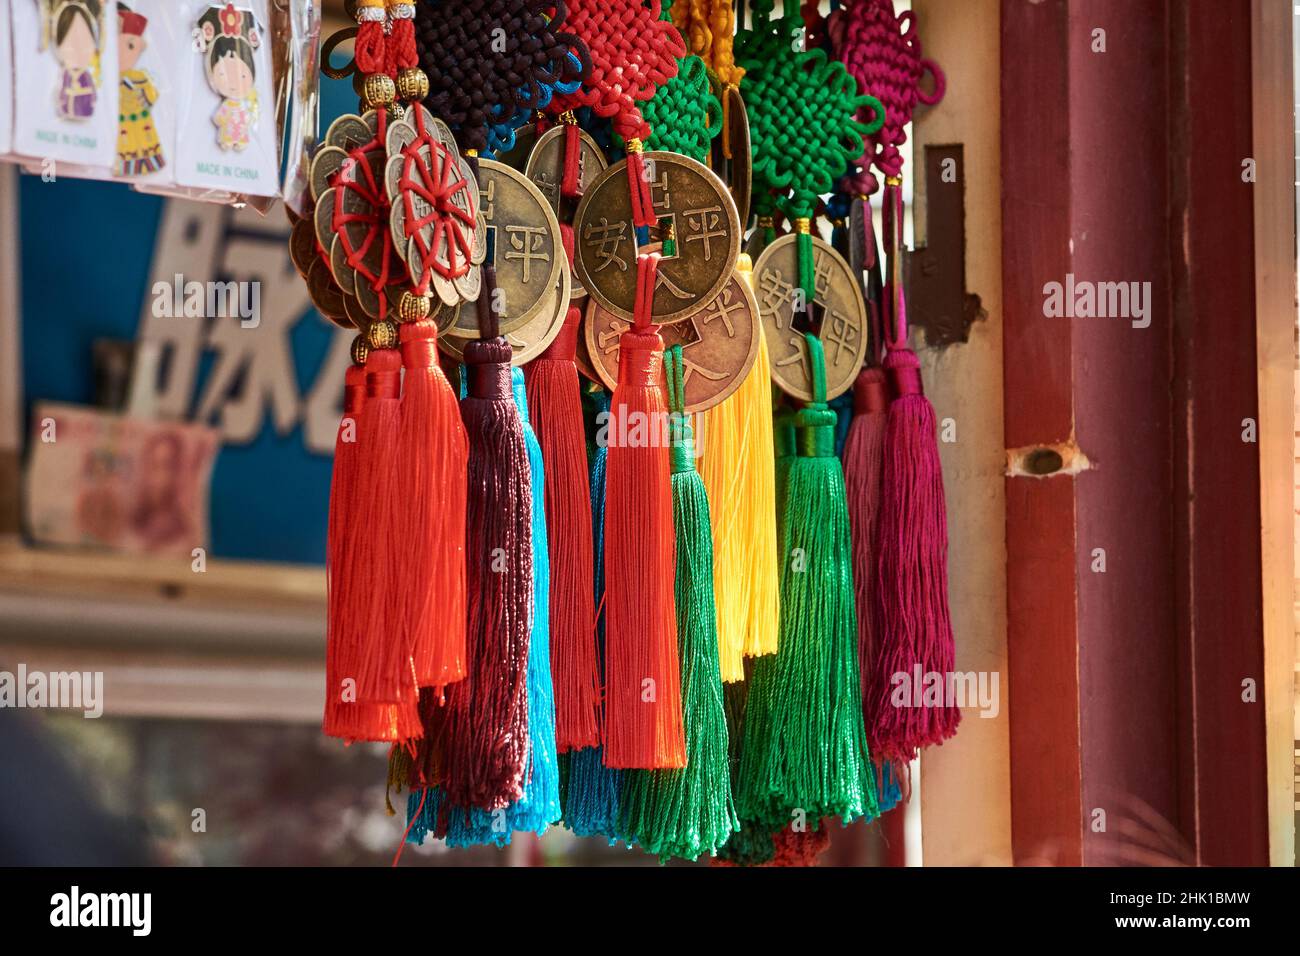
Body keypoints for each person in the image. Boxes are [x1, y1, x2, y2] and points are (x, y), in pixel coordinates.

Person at [195, 3, 261, 152]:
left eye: (243, 75)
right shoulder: (230, 105)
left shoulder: (241, 104)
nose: (234, 81)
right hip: (226, 134)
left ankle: (236, 142)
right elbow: (218, 118)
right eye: (223, 73)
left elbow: (223, 118)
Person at [115, 3, 165, 175]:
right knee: (125, 146)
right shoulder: (109, 78)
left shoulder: (139, 77)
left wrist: (147, 96)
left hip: (141, 121)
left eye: (132, 47)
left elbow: (152, 92)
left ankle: (147, 165)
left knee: (143, 146)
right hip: (121, 123)